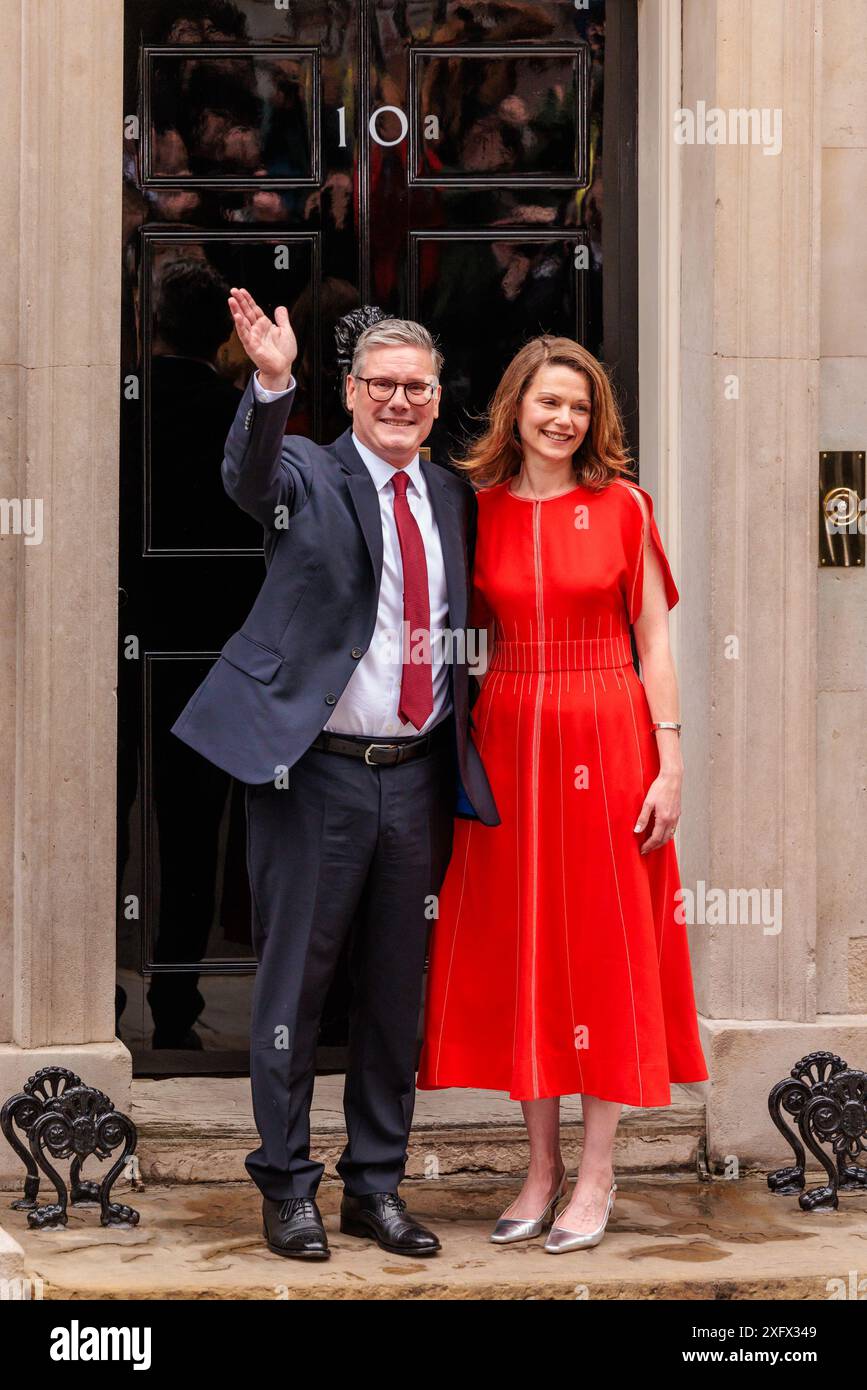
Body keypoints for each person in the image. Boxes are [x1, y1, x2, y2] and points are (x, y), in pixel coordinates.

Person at [171, 289, 498, 1260]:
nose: (400, 400)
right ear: (351, 392)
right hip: (314, 772)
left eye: (417, 387)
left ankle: (376, 1184)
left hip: (419, 769)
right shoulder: (307, 471)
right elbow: (247, 476)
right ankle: (285, 1184)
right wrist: (272, 380)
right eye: (382, 385)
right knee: (294, 988)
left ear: (438, 401)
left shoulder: (450, 495)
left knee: (396, 989)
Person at [416, 335, 708, 1253]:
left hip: (607, 728)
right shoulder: (479, 508)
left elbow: (654, 642)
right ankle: (537, 1170)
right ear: (515, 407)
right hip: (507, 732)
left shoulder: (623, 506)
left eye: (578, 407)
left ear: (595, 420)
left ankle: (595, 1173)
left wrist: (669, 761)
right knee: (527, 945)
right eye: (547, 402)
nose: (562, 419)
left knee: (604, 941)